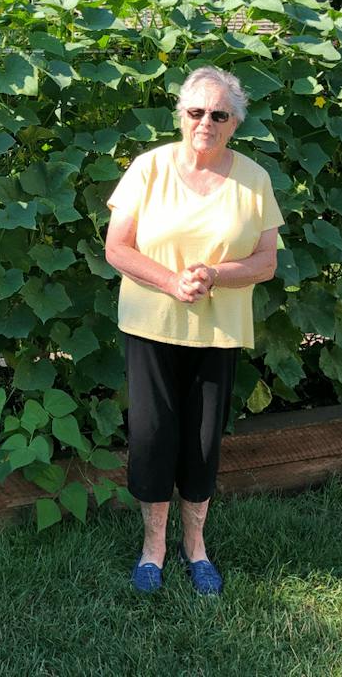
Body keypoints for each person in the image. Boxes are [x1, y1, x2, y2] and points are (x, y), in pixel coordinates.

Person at [104, 65, 283, 596]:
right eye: (196, 111)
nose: (206, 121)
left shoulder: (253, 178)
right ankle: (153, 549)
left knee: (203, 444)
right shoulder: (148, 168)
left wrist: (215, 275)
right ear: (181, 115)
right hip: (152, 325)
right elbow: (117, 247)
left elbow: (267, 261)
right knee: (153, 437)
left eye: (219, 114)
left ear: (234, 124)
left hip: (218, 331)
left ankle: (196, 547)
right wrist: (171, 282)